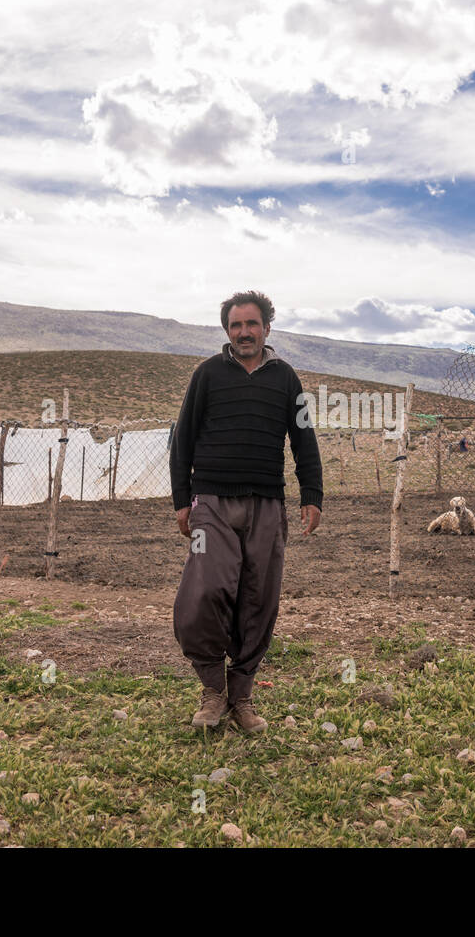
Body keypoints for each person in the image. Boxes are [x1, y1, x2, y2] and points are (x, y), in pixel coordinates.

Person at [169, 290, 322, 733]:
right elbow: (183, 441)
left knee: (259, 596)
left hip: (267, 503)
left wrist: (312, 493)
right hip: (211, 502)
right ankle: (212, 690)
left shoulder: (286, 378)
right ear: (227, 332)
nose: (243, 332)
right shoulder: (208, 375)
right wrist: (183, 501)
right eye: (235, 326)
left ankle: (242, 697)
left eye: (251, 324)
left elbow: (304, 440)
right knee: (205, 591)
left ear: (267, 328)